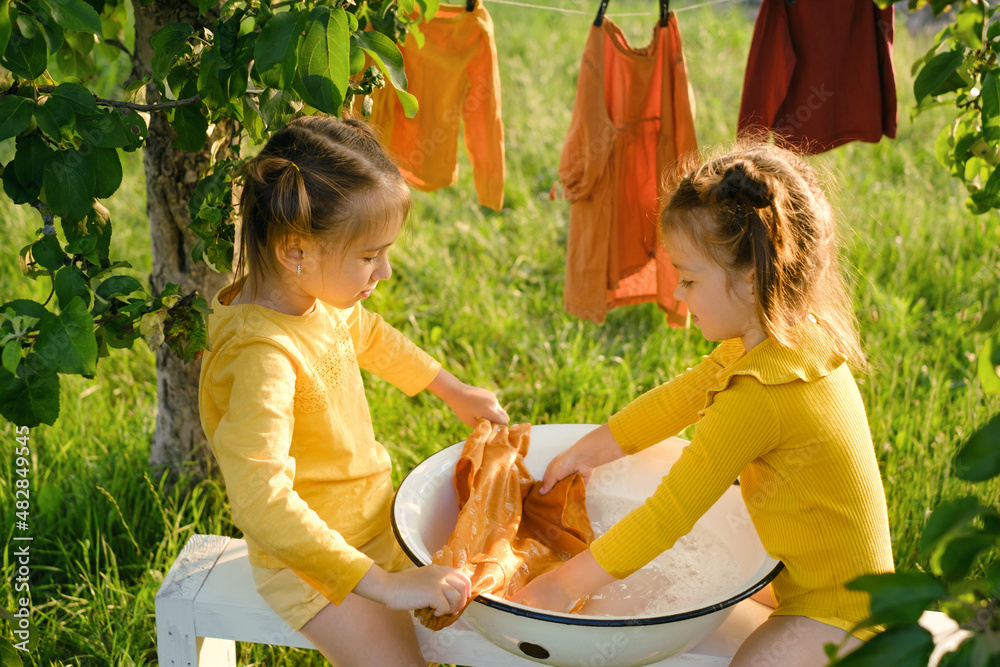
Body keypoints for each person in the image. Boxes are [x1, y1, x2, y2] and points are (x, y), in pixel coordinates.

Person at [511, 143, 893, 665]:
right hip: (806, 581)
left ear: (750, 277)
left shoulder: (761, 394)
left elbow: (669, 514)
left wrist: (558, 588)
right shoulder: (786, 343)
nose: (681, 296)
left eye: (688, 279)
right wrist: (591, 450)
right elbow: (681, 397)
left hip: (839, 612)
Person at [198, 115, 509, 666]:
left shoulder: (313, 299)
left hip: (374, 521)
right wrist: (384, 588)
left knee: (465, 623)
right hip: (309, 566)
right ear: (297, 251)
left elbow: (369, 335)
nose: (383, 271)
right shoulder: (261, 358)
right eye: (369, 256)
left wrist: (451, 388)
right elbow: (260, 500)